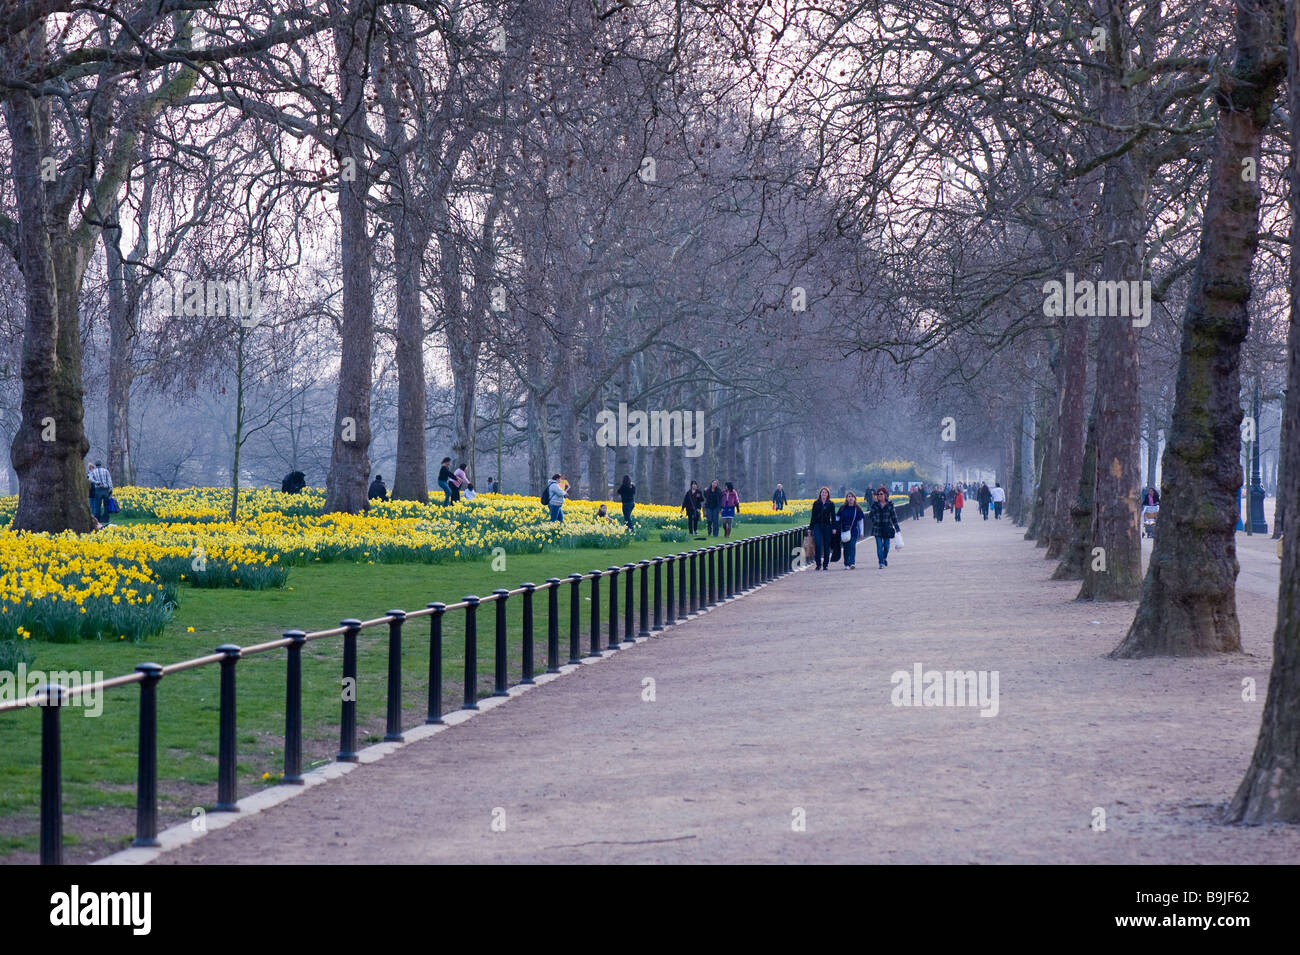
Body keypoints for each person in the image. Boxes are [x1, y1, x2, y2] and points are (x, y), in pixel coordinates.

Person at [870, 486, 901, 569]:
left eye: (881, 494)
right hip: (877, 528)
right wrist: (875, 520)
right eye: (878, 494)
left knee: (886, 546)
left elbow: (894, 517)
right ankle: (881, 562)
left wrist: (897, 528)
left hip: (887, 528)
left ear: (885, 495)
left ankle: (884, 558)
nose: (879, 496)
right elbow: (871, 515)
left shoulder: (890, 505)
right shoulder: (875, 505)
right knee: (879, 546)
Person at [837, 491, 866, 570]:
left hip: (853, 530)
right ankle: (846, 563)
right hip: (844, 530)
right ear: (846, 498)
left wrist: (861, 532)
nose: (850, 498)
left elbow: (860, 521)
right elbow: (837, 518)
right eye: (849, 496)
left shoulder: (857, 509)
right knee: (846, 547)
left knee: (852, 546)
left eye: (852, 497)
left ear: (854, 498)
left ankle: (852, 563)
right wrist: (835, 527)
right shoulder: (842, 508)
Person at [810, 487, 837, 570]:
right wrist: (810, 527)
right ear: (820, 494)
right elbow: (813, 516)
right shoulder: (816, 503)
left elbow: (833, 516)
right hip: (817, 525)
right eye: (822, 492)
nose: (824, 494)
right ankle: (818, 564)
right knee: (817, 544)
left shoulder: (831, 504)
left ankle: (825, 564)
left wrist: (834, 527)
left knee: (826, 545)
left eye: (825, 493)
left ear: (828, 494)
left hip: (827, 526)